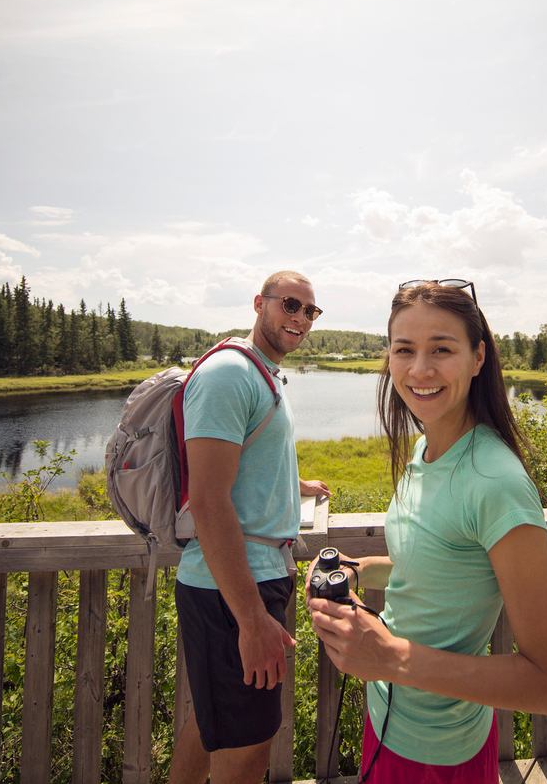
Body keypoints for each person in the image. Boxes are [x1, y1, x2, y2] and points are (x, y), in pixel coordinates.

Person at [308, 279, 547, 783]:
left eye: (442, 349)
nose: (420, 369)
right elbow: (446, 566)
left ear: (479, 358)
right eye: (404, 350)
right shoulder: (425, 452)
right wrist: (363, 569)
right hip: (387, 718)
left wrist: (389, 657)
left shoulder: (494, 482)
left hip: (439, 751)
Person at [169, 270, 331, 784]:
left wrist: (292, 483)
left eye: (310, 311)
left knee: (215, 723)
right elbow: (210, 501)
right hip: (232, 590)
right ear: (259, 303)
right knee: (247, 750)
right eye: (290, 305)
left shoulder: (260, 373)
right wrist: (253, 619)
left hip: (246, 580)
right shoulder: (229, 374)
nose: (300, 318)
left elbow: (239, 465)